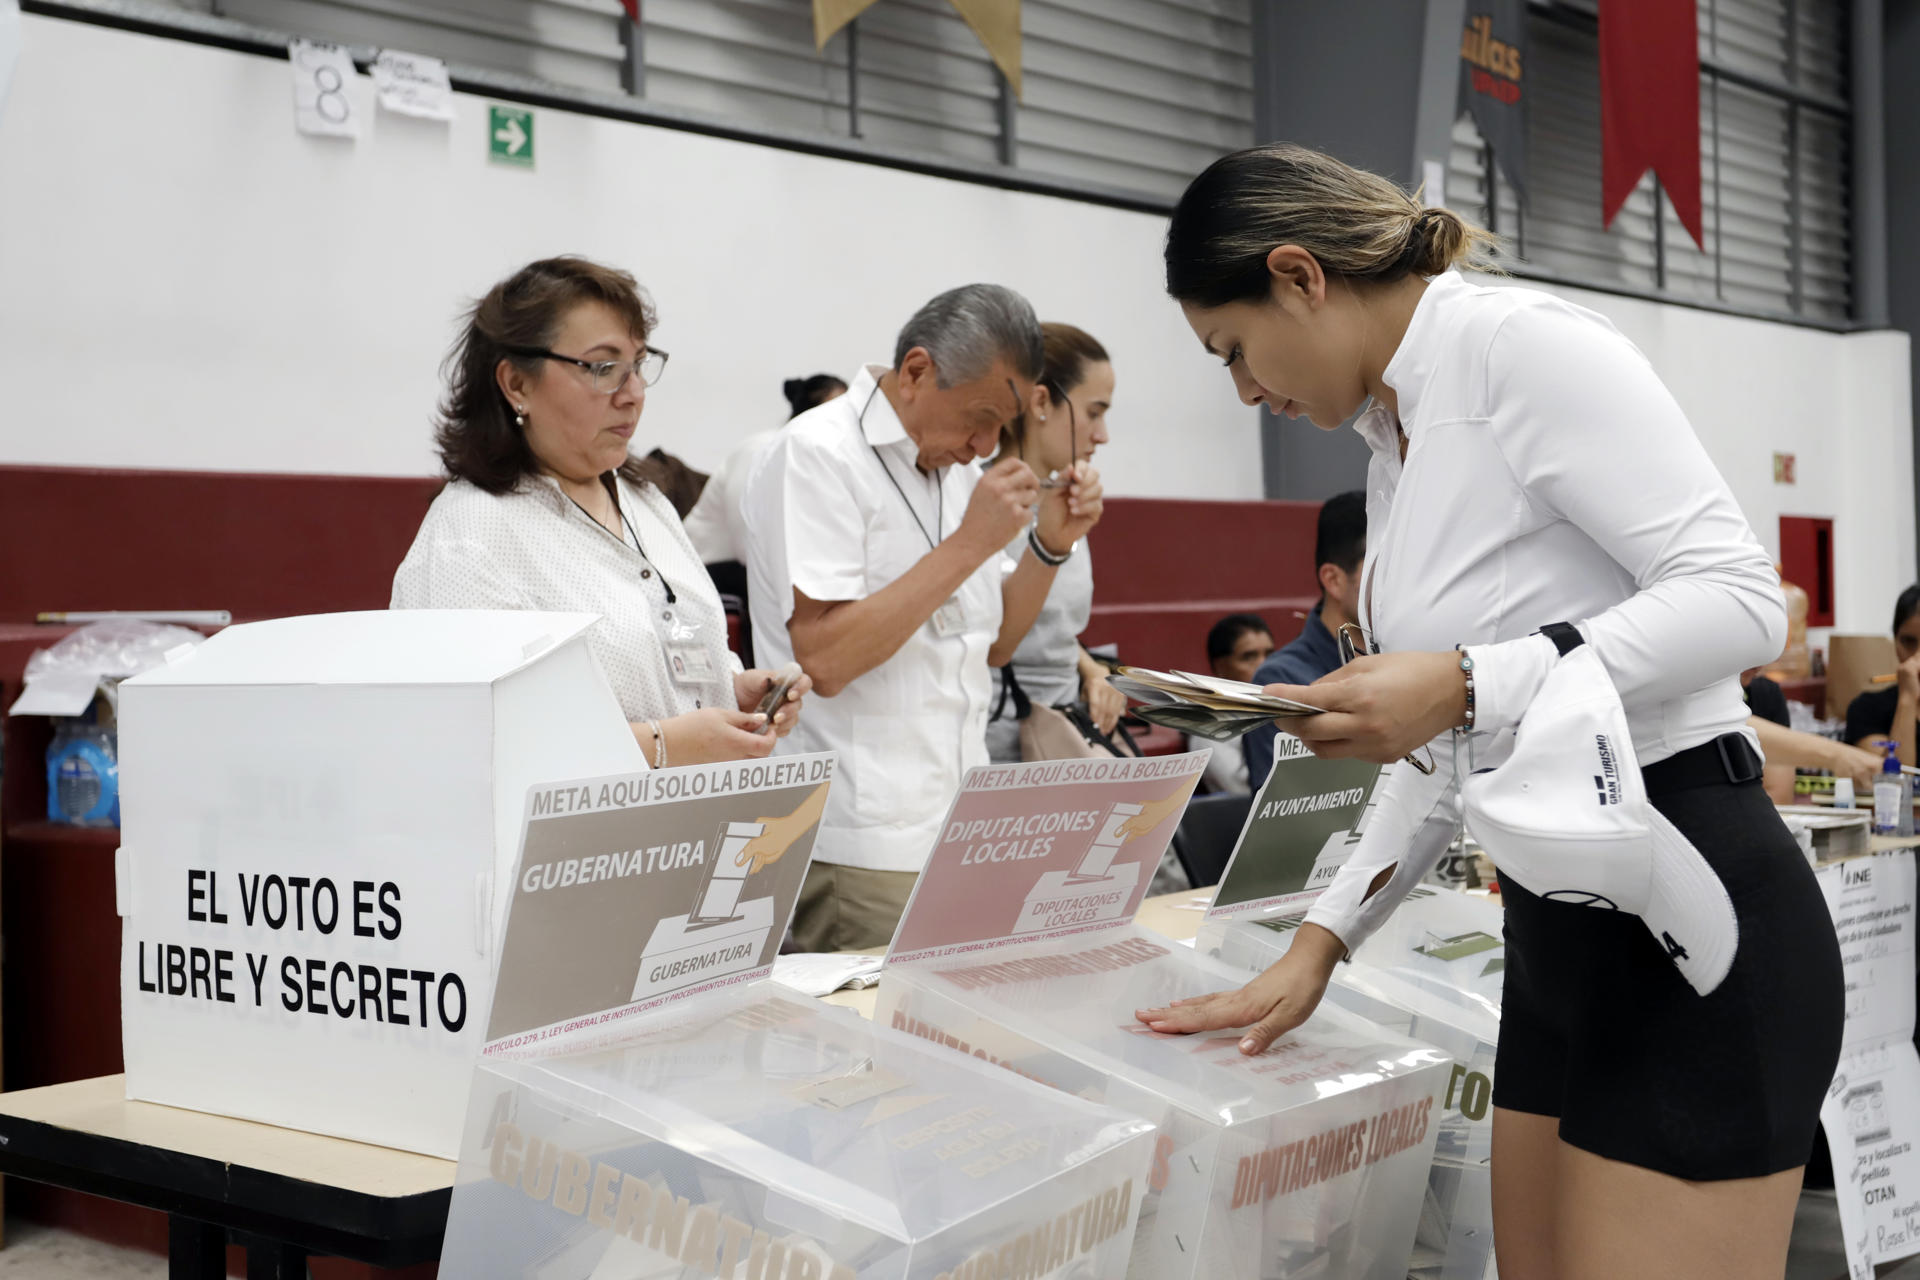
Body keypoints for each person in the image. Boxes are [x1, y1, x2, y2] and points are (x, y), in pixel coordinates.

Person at [1134, 144, 1842, 1279]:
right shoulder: (1393, 436)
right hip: (1560, 940)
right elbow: (1445, 752)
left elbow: (1741, 601)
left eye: (1234, 349)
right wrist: (1322, 941)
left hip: (1689, 910)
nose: (1245, 389)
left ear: (1301, 276)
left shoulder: (1522, 349)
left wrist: (1467, 678)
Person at [745, 284, 1104, 951]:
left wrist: (1048, 543)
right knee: (883, 1043)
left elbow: (992, 647)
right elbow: (824, 659)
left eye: (1004, 425)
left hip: (958, 820)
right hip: (865, 832)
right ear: (915, 372)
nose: (986, 444)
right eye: (980, 417)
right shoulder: (819, 453)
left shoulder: (958, 471)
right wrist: (970, 543)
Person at [391, 256, 809, 765]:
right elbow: (470, 738)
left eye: (637, 365)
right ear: (517, 385)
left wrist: (732, 689)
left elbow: (667, 641)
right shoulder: (472, 533)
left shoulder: (646, 503)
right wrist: (664, 744)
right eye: (603, 368)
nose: (632, 395)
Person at [985, 323, 1124, 763]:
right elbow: (996, 637)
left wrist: (1093, 672)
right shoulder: (978, 501)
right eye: (1094, 412)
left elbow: (1052, 628)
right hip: (999, 744)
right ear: (1041, 401)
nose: (1102, 434)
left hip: (1065, 731)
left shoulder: (1067, 496)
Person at [1244, 489, 1366, 787]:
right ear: (1334, 580)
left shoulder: (1411, 661)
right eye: (1382, 568)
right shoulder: (1282, 683)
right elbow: (1289, 821)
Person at [684, 374, 848, 572]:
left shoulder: (818, 465)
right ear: (807, 416)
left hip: (752, 573)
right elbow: (748, 545)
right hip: (708, 571)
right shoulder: (759, 451)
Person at [1194, 613, 1274, 793]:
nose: (1265, 665)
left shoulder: (1286, 707)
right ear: (1221, 666)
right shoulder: (1207, 724)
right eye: (1249, 657)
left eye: (1269, 654)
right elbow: (1244, 789)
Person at [1846, 584, 1920, 768]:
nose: (1917, 655)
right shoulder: (1867, 709)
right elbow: (1894, 782)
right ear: (1894, 641)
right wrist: (1908, 698)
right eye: (1909, 642)